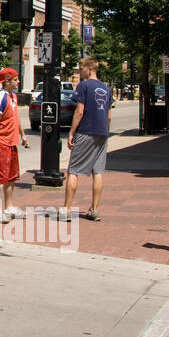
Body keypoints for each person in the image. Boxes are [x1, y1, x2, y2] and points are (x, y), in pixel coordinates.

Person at [61, 57, 114, 222]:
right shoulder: (106, 88)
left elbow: (79, 111)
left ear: (90, 69)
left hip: (86, 131)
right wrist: (106, 131)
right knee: (97, 171)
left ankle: (67, 209)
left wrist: (71, 132)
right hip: (102, 132)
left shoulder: (84, 86)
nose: (79, 71)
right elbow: (109, 115)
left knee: (73, 171)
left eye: (81, 68)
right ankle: (94, 209)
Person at [0, 67, 29, 222]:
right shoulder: (1, 97)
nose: (18, 82)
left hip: (12, 143)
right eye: (15, 79)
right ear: (7, 81)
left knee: (11, 177)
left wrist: (23, 135)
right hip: (1, 143)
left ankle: (9, 206)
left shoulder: (14, 96)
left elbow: (15, 117)